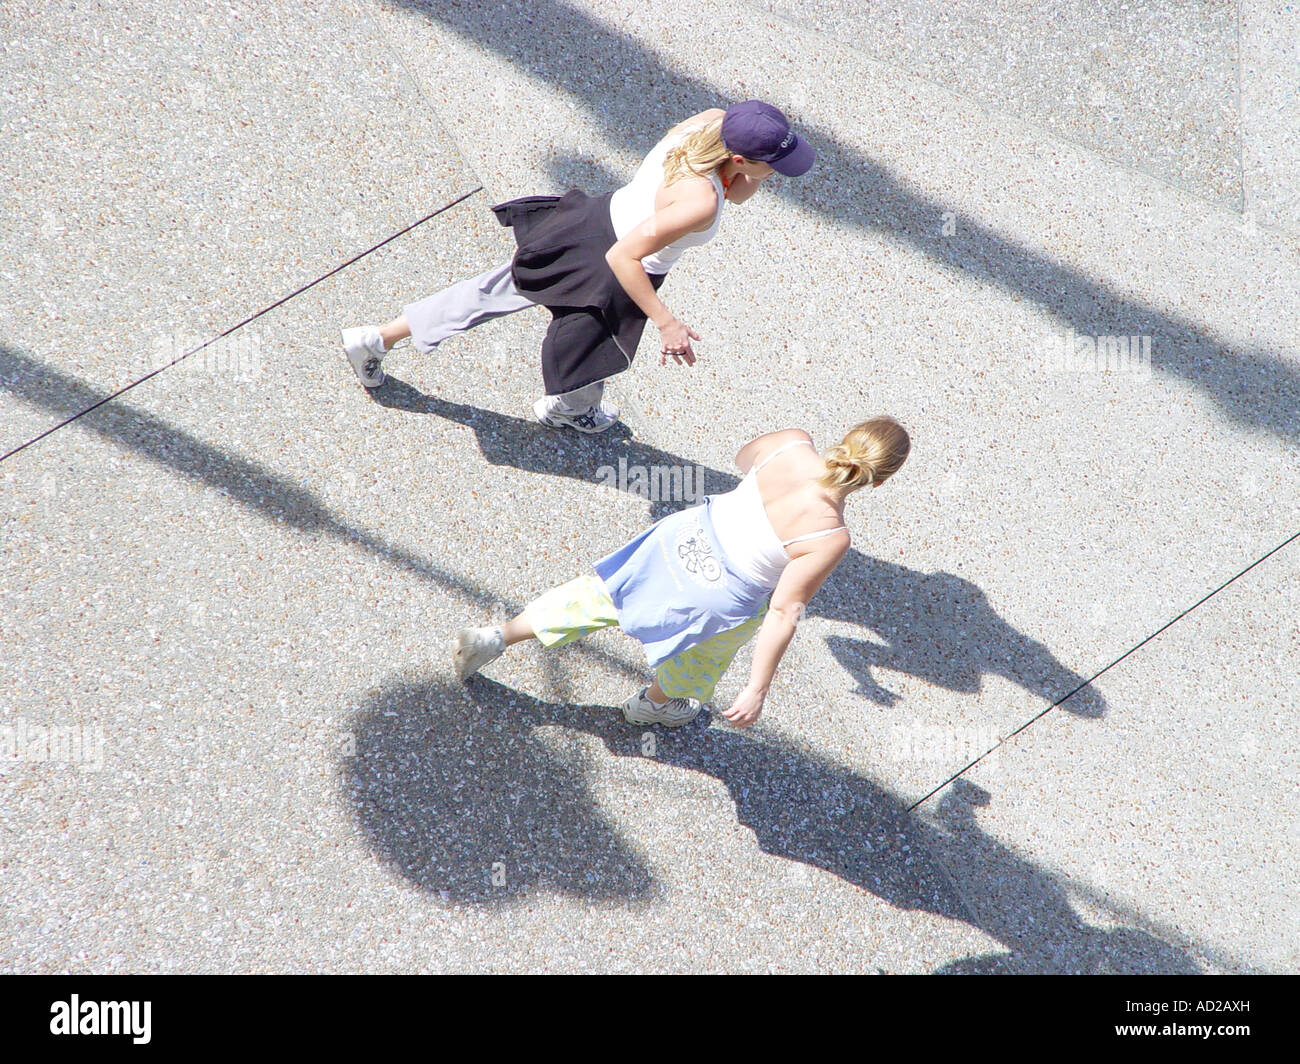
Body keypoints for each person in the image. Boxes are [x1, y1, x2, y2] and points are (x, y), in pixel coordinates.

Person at [340, 100, 815, 433]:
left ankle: (374, 338)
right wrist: (666, 322)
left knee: (491, 291)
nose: (778, 173)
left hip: (588, 223)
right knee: (597, 349)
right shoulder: (698, 204)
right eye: (774, 165)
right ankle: (569, 410)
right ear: (736, 157)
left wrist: (749, 174)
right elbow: (622, 257)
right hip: (614, 267)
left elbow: (736, 183)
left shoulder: (711, 121)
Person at [452, 418, 911, 727]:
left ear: (847, 439)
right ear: (881, 480)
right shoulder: (830, 535)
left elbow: (743, 458)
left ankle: (496, 637)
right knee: (698, 658)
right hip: (721, 594)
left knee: (598, 596)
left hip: (679, 540)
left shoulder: (792, 441)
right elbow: (784, 611)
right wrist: (757, 686)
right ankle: (650, 706)